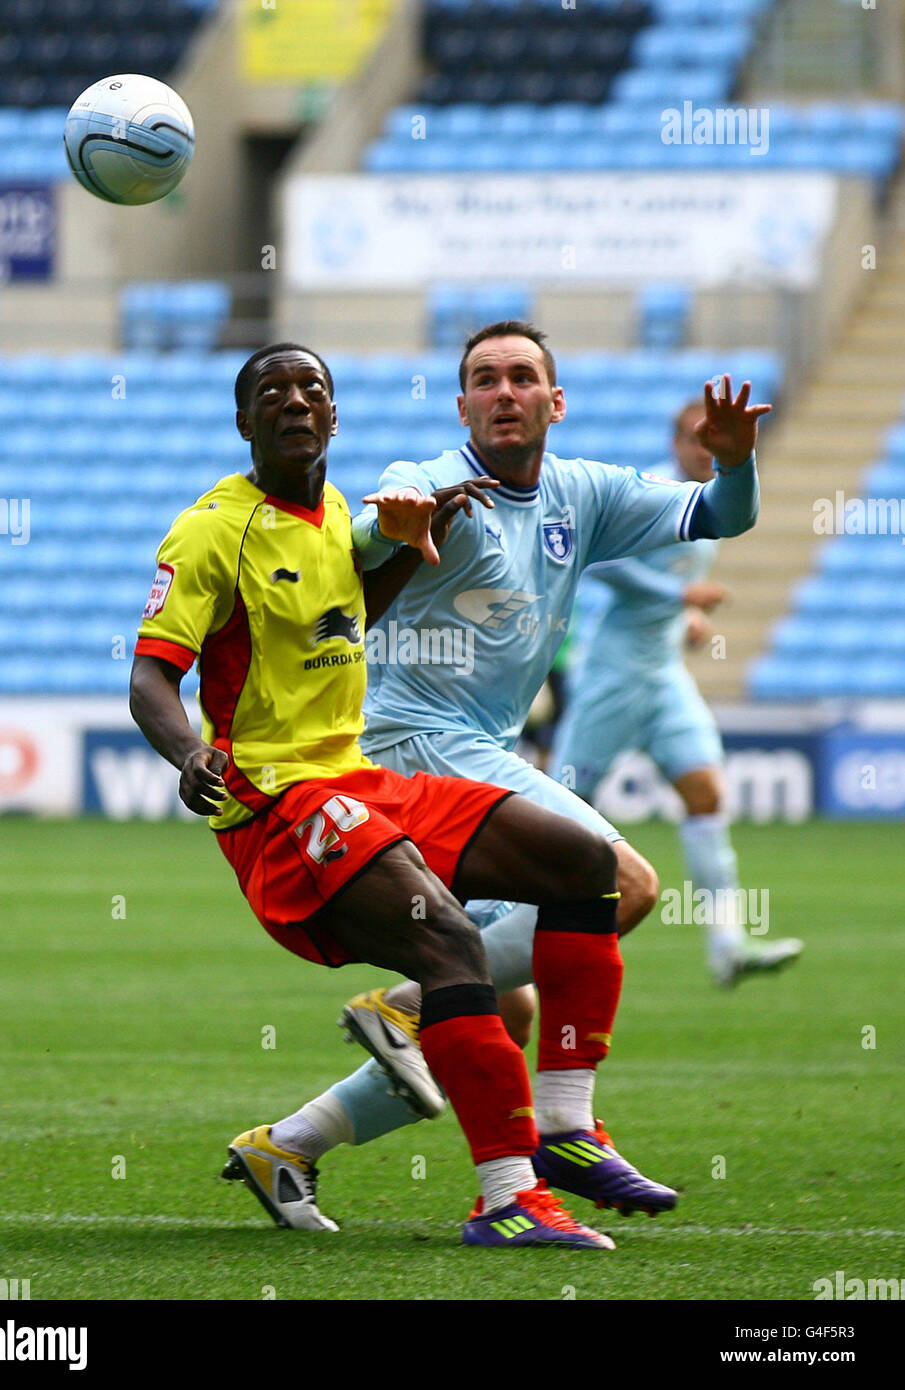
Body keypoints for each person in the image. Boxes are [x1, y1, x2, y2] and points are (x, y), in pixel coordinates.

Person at [129, 340, 671, 1250]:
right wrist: (190, 755)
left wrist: (412, 553)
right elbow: (150, 679)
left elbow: (347, 623)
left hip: (359, 782)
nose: (295, 402)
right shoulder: (210, 530)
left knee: (583, 865)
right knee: (452, 946)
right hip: (278, 806)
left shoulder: (334, 513)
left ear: (335, 417)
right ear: (243, 421)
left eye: (312, 390)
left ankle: (567, 1126)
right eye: (273, 392)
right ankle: (506, 1198)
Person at [230, 323, 767, 1232]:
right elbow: (362, 538)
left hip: (479, 746)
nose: (504, 392)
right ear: (463, 407)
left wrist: (735, 464)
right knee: (621, 881)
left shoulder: (583, 492)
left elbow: (722, 516)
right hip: (403, 741)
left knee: (495, 1009)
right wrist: (394, 517)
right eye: (484, 380)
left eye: (523, 377)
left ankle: (290, 1145)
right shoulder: (436, 482)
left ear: (554, 402)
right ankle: (559, 1127)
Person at [550, 399, 804, 986]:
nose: (703, 449)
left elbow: (670, 581)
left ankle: (727, 946)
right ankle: (498, 925)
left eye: (711, 440)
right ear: (675, 443)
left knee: (708, 793)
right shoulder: (651, 492)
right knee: (563, 810)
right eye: (695, 439)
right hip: (612, 675)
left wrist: (680, 620)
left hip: (664, 675)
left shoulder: (708, 498)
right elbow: (600, 564)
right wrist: (678, 601)